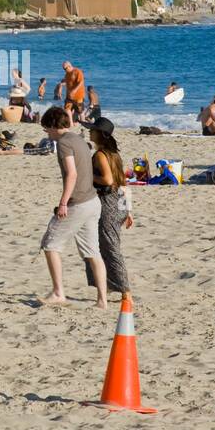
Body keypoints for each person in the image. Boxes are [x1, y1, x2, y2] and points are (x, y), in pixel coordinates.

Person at [37, 106, 107, 308]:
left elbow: (72, 174)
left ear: (52, 126)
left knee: (50, 245)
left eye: (46, 129)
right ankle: (102, 300)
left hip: (78, 204)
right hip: (93, 202)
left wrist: (63, 203)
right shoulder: (78, 140)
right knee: (93, 252)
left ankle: (58, 293)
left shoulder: (64, 143)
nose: (47, 134)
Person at [82, 117, 133, 301]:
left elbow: (108, 181)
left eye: (92, 130)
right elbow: (123, 182)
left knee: (109, 249)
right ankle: (107, 287)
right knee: (103, 247)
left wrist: (88, 175)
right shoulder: (114, 154)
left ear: (100, 134)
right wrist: (128, 210)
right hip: (119, 202)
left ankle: (126, 292)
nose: (89, 131)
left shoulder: (101, 155)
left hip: (107, 203)